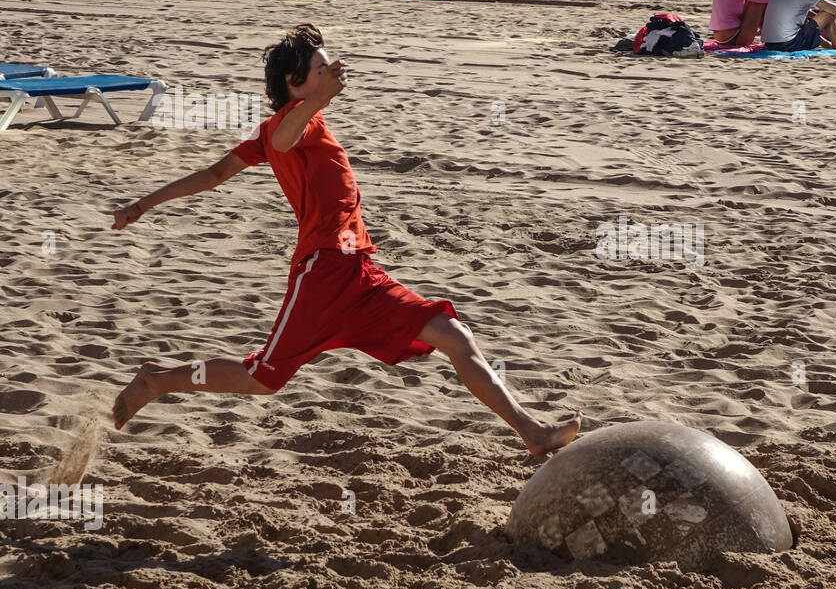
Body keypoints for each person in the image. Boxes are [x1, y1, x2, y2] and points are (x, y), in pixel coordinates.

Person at [107, 24, 582, 459]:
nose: (334, 71)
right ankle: (157, 381)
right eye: (321, 68)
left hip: (359, 273)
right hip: (321, 274)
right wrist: (315, 103)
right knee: (264, 378)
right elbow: (285, 139)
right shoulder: (294, 122)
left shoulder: (291, 122)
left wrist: (142, 205)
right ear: (297, 83)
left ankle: (530, 431)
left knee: (454, 336)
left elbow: (214, 173)